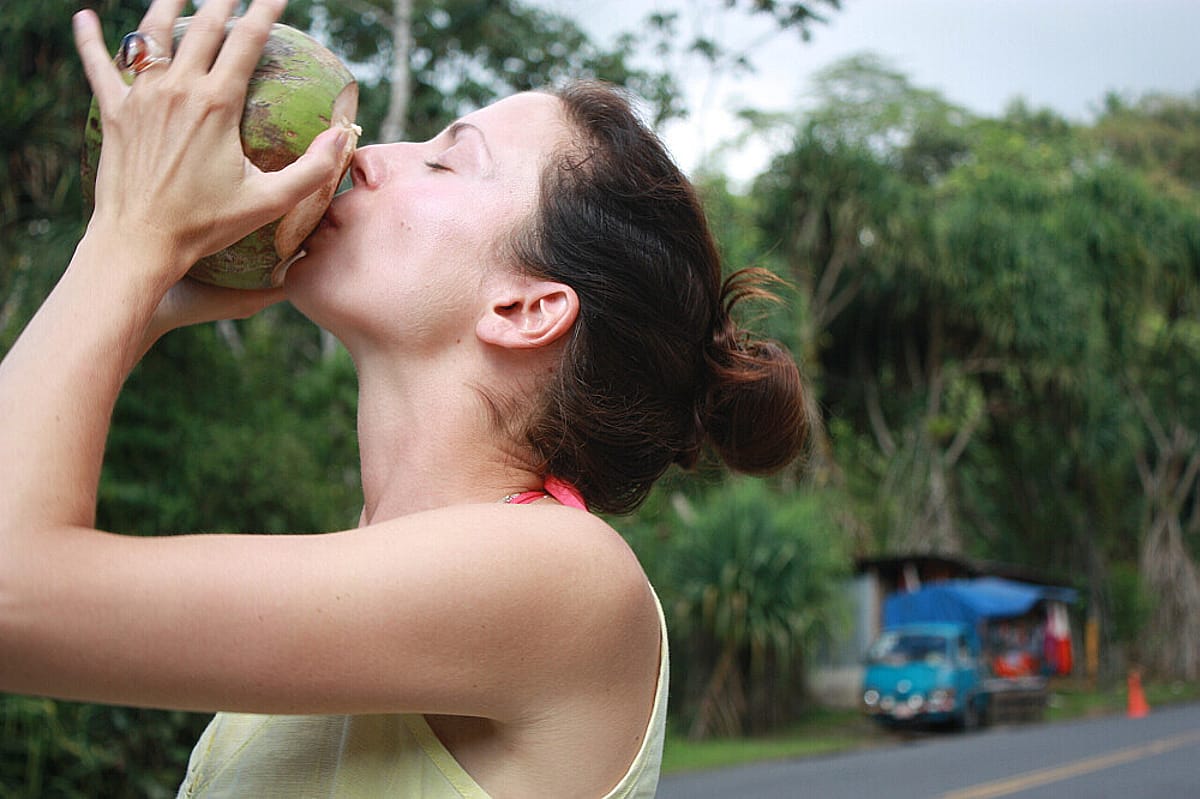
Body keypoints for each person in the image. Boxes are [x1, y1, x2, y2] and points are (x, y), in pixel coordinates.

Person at [0, 0, 813, 796]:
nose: (361, 154)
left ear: (525, 307)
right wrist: (141, 288)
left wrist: (130, 240)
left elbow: (14, 591)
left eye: (445, 159)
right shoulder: (360, 581)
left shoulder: (561, 574)